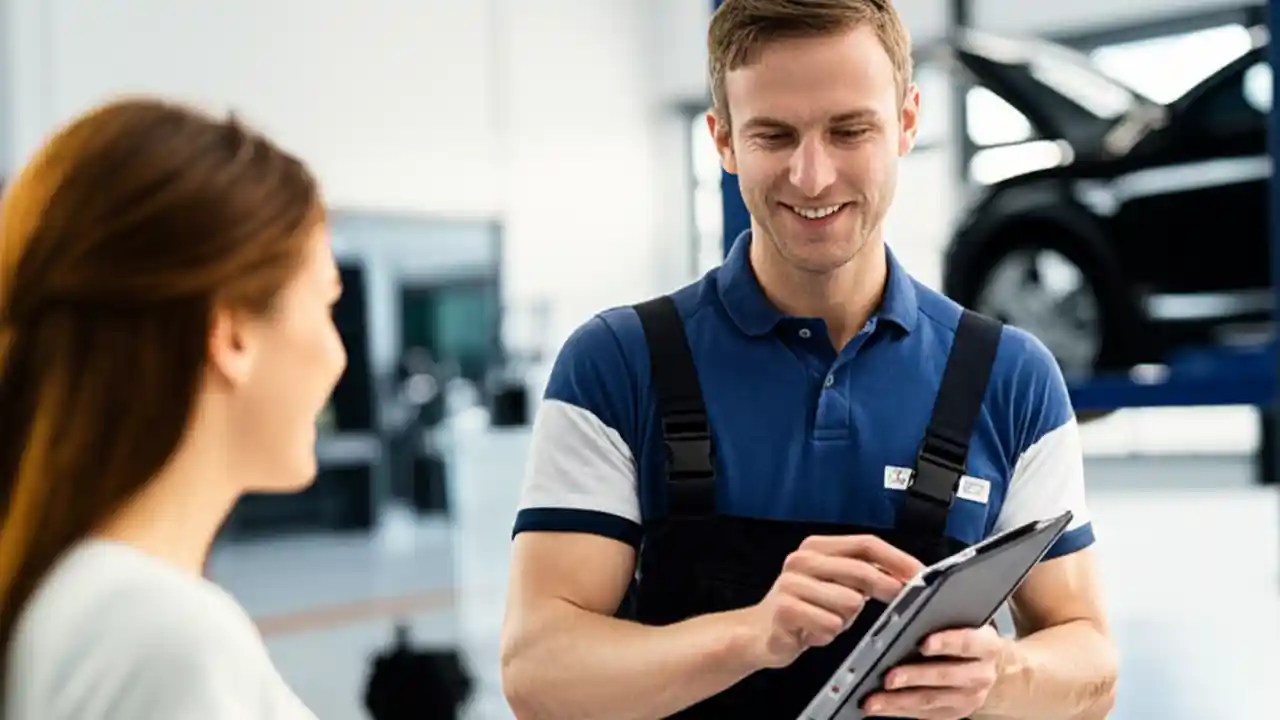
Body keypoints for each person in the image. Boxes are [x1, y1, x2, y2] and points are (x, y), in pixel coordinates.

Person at [500, 1, 1118, 718]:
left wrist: (1000, 674)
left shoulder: (1009, 380)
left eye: (850, 130)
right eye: (774, 135)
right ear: (723, 141)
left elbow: (1091, 664)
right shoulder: (617, 366)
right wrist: (751, 635)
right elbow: (539, 671)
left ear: (908, 124)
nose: (813, 175)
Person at [0, 97, 347, 719]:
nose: (337, 356)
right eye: (326, 304)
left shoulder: (77, 604)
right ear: (232, 332)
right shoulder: (160, 636)